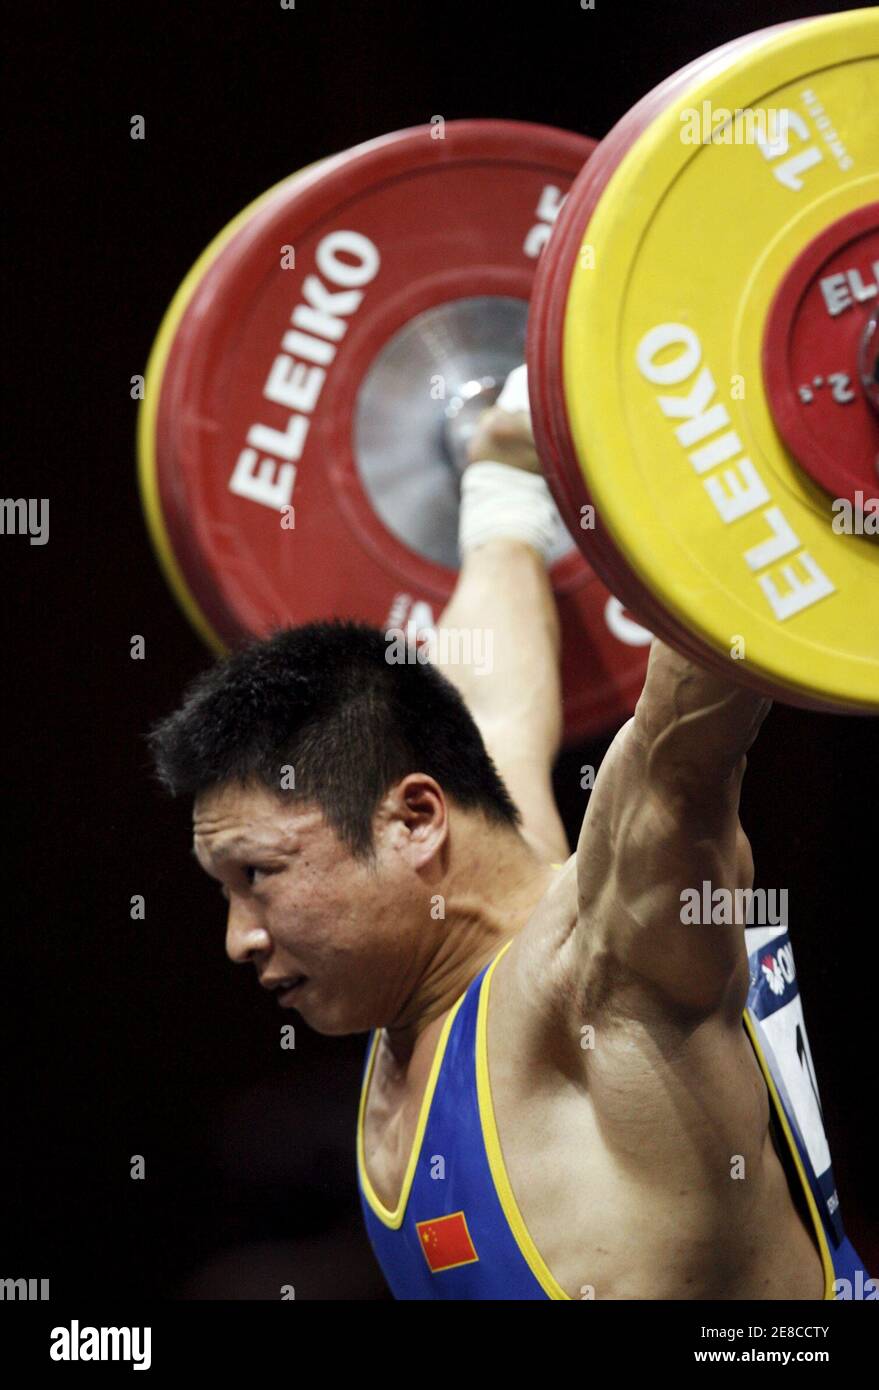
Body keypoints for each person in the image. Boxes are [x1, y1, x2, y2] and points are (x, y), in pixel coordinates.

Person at [148, 368, 870, 1300]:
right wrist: (503, 470)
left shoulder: (607, 978)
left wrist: (783, 439)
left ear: (413, 823)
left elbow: (683, 745)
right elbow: (484, 688)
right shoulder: (437, 930)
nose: (239, 937)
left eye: (260, 875)